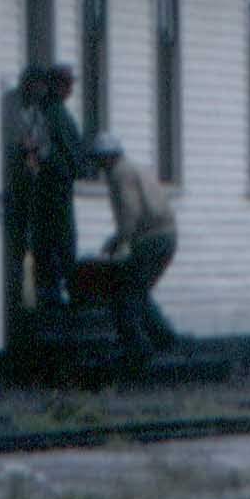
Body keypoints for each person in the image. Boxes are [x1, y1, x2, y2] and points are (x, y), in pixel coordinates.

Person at [13, 59, 92, 308]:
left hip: (50, 187)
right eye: (67, 84)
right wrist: (75, 168)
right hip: (53, 189)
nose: (71, 90)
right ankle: (57, 297)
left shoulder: (44, 111)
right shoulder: (54, 114)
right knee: (58, 242)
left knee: (51, 244)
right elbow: (62, 152)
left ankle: (54, 293)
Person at [96, 143, 178, 372]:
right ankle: (164, 337)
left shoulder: (119, 174)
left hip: (150, 238)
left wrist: (118, 241)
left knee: (124, 293)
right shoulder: (136, 168)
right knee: (138, 290)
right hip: (168, 235)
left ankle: (137, 349)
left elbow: (130, 212)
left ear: (107, 158)